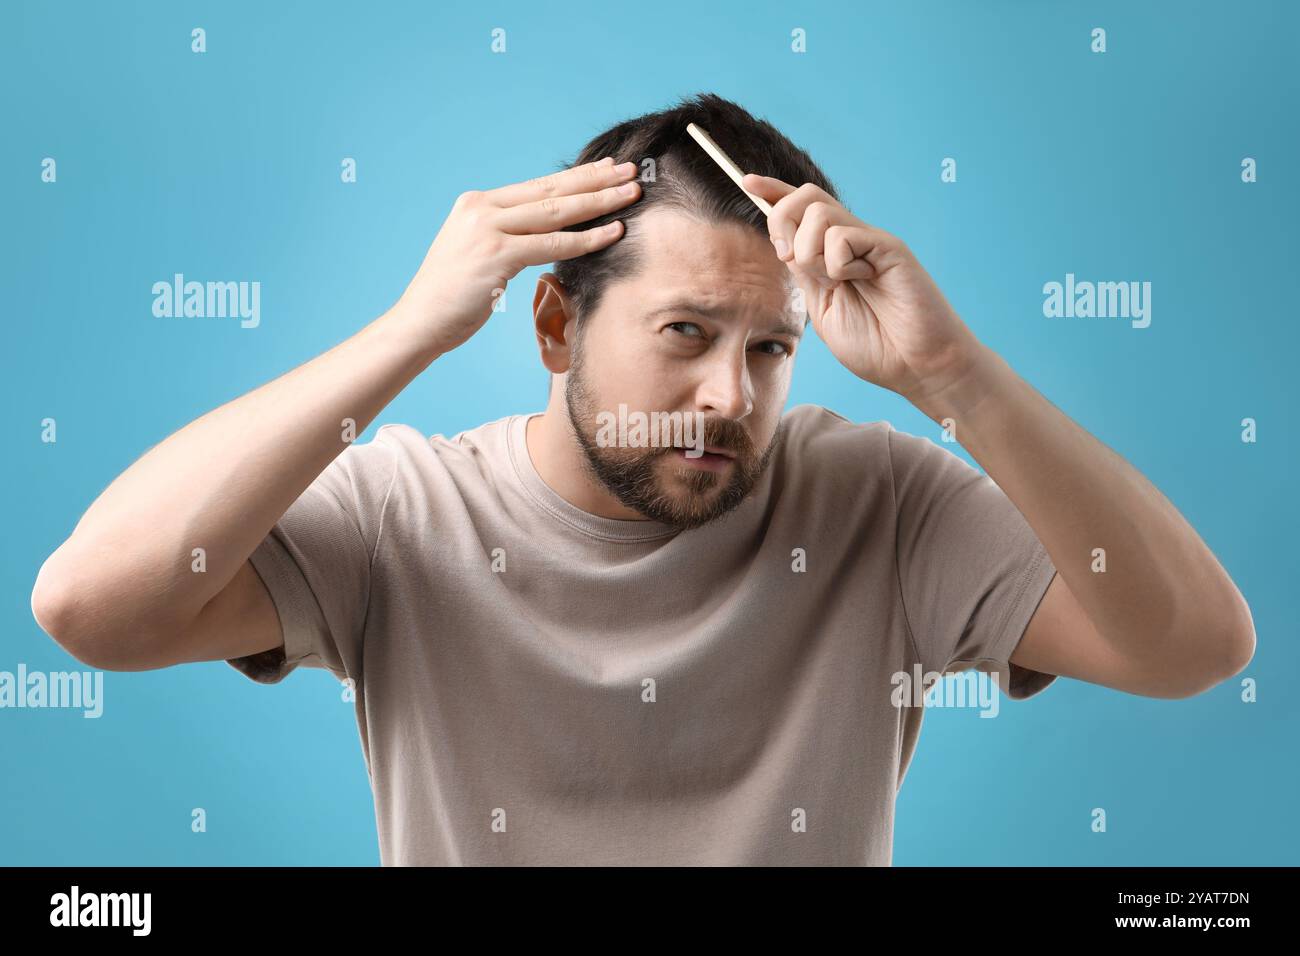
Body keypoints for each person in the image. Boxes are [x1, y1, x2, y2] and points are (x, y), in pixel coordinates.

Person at [30, 93, 1255, 866]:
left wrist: (954, 377)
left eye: (770, 346)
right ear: (555, 328)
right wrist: (406, 330)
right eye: (684, 333)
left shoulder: (876, 499)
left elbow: (1195, 647)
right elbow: (92, 608)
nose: (732, 394)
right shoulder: (407, 513)